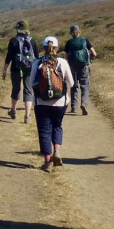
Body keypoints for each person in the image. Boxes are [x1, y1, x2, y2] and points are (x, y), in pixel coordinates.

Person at [29, 36, 75, 172]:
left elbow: (32, 83)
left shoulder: (37, 62)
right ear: (57, 48)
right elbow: (71, 83)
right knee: (57, 126)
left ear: (43, 48)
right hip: (60, 102)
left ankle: (47, 162)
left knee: (44, 130)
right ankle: (57, 151)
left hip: (41, 102)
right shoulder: (62, 62)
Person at [2, 20, 40, 123]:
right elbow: (37, 57)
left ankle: (13, 111)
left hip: (16, 68)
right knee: (28, 90)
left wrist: (4, 70)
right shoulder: (32, 41)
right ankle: (27, 116)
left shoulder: (13, 40)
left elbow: (8, 56)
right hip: (29, 68)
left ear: (18, 29)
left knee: (16, 89)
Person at [64, 24, 97, 115]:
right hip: (84, 66)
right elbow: (94, 53)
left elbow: (66, 56)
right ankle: (84, 104)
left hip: (73, 67)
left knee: (74, 86)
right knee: (84, 85)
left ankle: (74, 107)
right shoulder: (85, 40)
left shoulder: (69, 42)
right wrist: (89, 59)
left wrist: (68, 65)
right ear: (79, 32)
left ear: (71, 33)